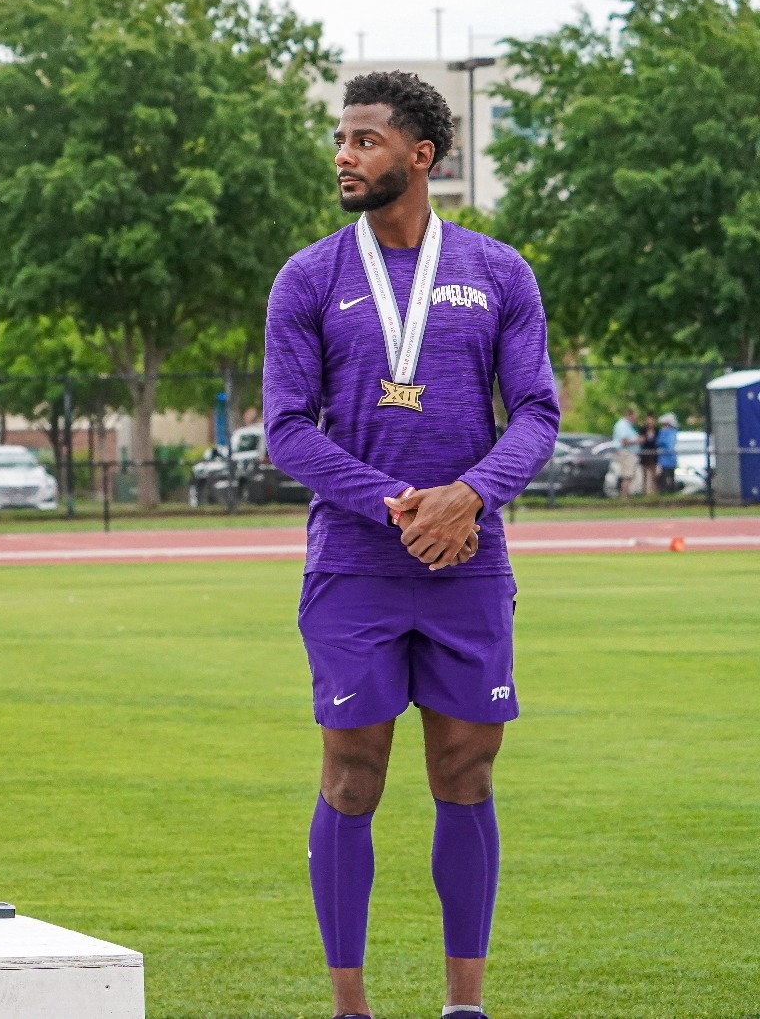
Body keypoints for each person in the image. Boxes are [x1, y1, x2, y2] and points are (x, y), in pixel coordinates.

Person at [263, 70, 558, 1019]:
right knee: (352, 774)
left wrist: (469, 496)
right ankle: (351, 1007)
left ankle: (463, 1005)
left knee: (464, 770)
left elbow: (540, 413)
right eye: (340, 139)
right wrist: (402, 503)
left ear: (420, 155)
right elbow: (287, 428)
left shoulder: (500, 270)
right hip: (355, 568)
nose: (343, 155)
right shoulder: (310, 276)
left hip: (471, 563)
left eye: (364, 139)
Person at [610, 409, 641, 498]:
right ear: (630, 415)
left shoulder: (628, 425)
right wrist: (638, 440)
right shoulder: (622, 425)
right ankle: (625, 496)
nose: (636, 418)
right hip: (627, 453)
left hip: (630, 453)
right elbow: (624, 441)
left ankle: (627, 495)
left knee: (630, 475)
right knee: (627, 475)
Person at [638, 411, 663, 495]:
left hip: (653, 453)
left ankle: (654, 491)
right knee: (644, 473)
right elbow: (641, 441)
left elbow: (657, 441)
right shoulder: (642, 430)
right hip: (645, 453)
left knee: (654, 474)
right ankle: (644, 491)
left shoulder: (657, 430)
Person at [656, 413, 681, 491]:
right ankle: (667, 489)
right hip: (666, 458)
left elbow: (667, 444)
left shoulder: (669, 432)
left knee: (668, 475)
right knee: (666, 475)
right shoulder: (668, 432)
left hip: (668, 457)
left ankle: (669, 489)